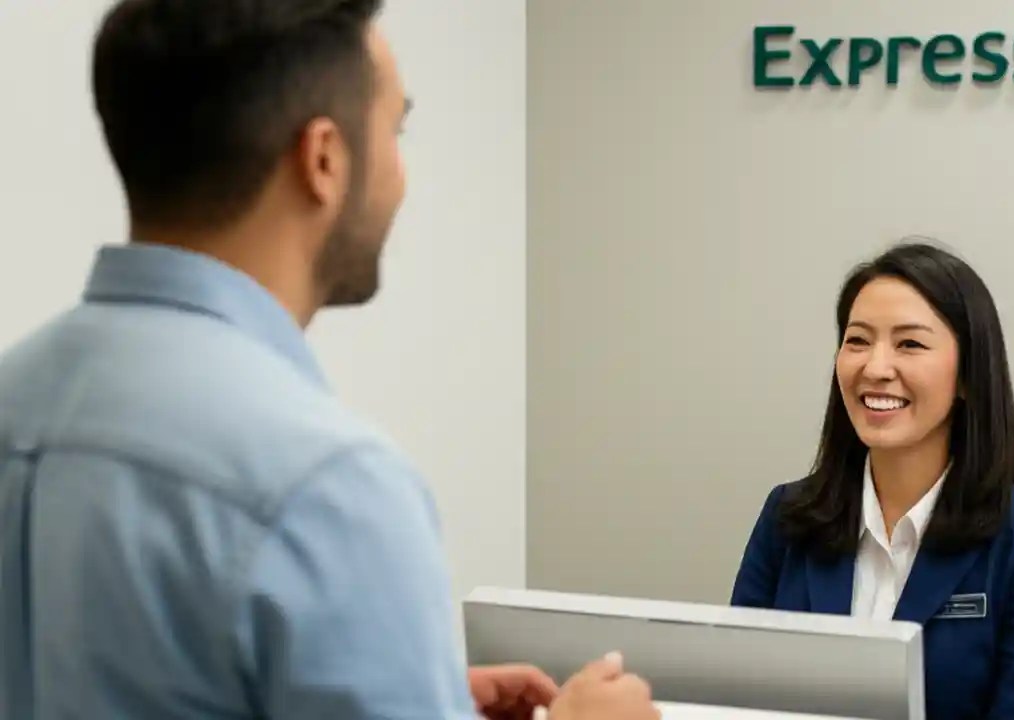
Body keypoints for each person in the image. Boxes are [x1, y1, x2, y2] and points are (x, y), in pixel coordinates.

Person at [0, 1, 659, 719]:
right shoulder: (325, 483)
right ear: (324, 159)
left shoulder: (16, 400)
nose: (403, 174)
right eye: (397, 130)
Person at [730, 242, 1014, 720]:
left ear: (967, 376)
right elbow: (734, 699)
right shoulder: (787, 517)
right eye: (857, 341)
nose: (875, 368)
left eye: (909, 344)